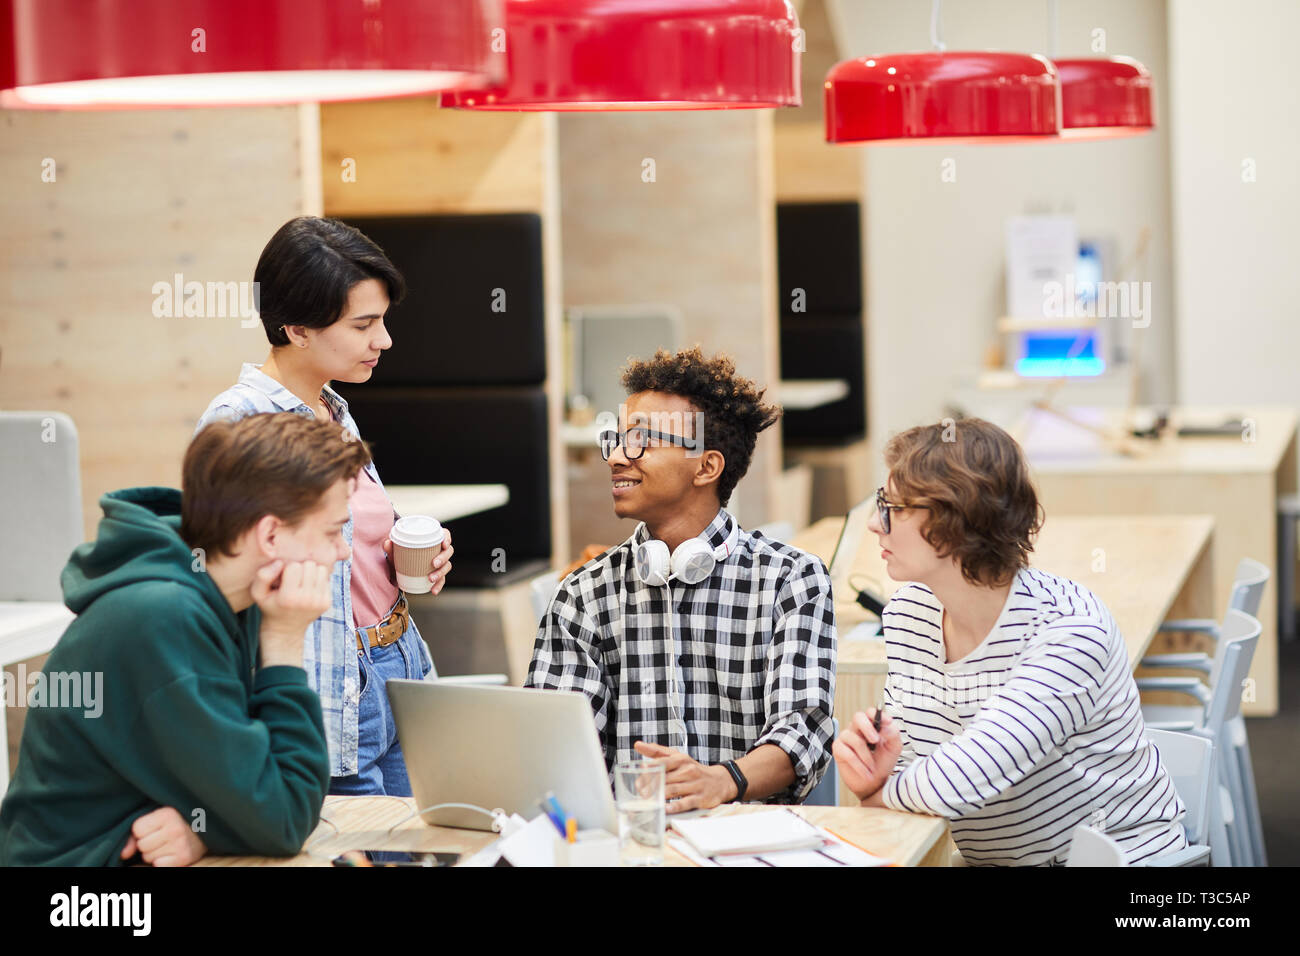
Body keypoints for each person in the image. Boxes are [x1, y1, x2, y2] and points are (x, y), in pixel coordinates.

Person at [0, 413, 369, 865]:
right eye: (333, 532)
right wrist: (285, 643)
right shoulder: (164, 618)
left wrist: (205, 830)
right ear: (270, 534)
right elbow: (286, 819)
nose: (343, 550)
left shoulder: (227, 594)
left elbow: (259, 790)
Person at [833, 418, 1190, 866]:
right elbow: (918, 771)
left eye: (895, 507)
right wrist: (872, 778)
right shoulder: (910, 614)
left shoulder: (1069, 630)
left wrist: (881, 792)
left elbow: (971, 776)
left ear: (956, 520)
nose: (873, 523)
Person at [195, 216, 453, 797]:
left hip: (399, 661)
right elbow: (223, 585)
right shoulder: (238, 423)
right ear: (296, 329)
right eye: (363, 324)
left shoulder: (331, 408)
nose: (383, 340)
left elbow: (341, 545)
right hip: (331, 686)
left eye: (382, 320)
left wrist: (404, 556)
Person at [527, 347, 837, 810]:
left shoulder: (791, 580)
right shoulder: (582, 594)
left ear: (706, 467)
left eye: (642, 441)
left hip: (747, 845)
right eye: (616, 438)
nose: (616, 456)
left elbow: (803, 732)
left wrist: (721, 781)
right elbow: (555, 751)